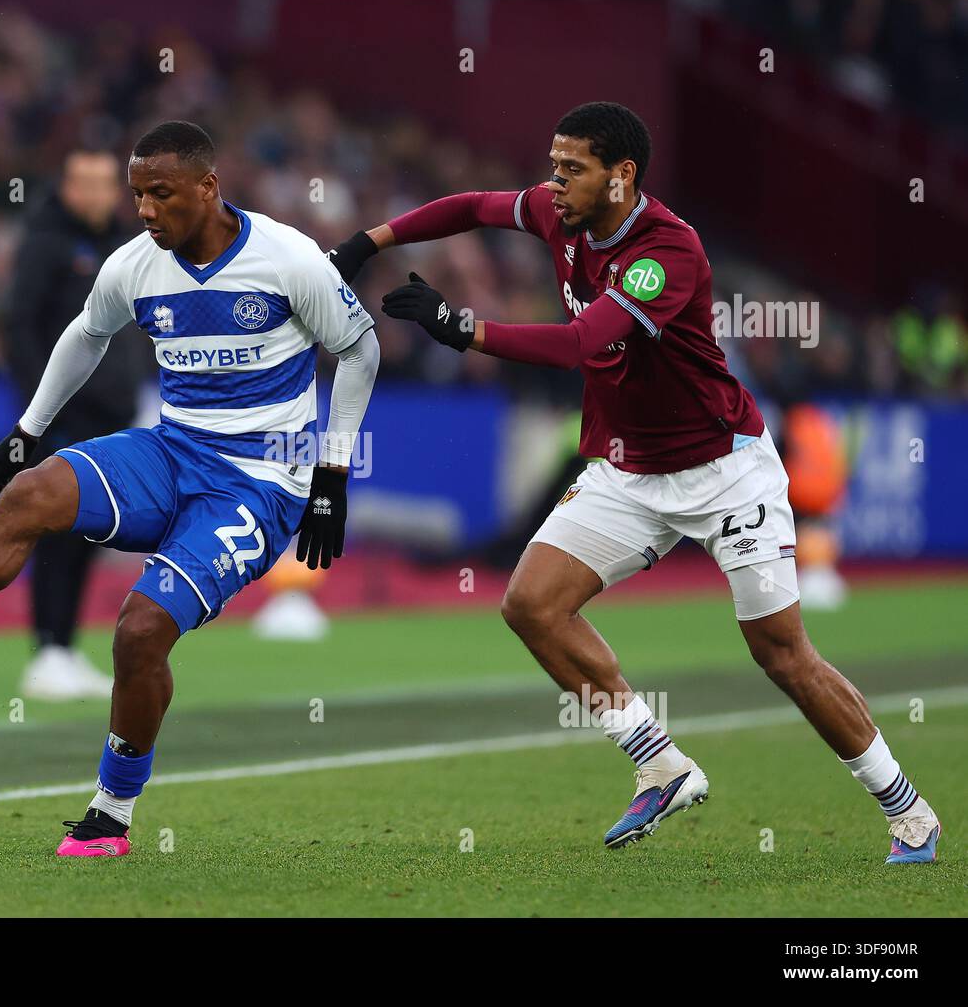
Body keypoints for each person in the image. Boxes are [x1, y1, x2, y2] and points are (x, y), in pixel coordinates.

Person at [330, 101, 939, 864]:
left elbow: (585, 343)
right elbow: (473, 207)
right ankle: (661, 762)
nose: (554, 185)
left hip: (724, 471)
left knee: (782, 654)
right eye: (553, 167)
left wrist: (462, 327)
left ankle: (908, 811)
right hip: (630, 467)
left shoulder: (666, 251)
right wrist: (368, 240)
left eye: (572, 169)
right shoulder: (562, 216)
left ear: (621, 176)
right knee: (531, 604)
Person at [0, 120, 380, 857]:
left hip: (259, 484)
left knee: (139, 632)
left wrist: (331, 471)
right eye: (136, 193)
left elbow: (359, 348)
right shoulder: (135, 264)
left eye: (159, 194)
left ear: (208, 188)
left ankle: (111, 812)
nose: (142, 209)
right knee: (32, 492)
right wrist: (27, 433)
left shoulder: (287, 257)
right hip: (174, 450)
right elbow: (85, 334)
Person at [5, 150, 155, 699]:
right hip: (66, 414)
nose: (94, 194)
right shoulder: (46, 243)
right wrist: (36, 413)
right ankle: (46, 650)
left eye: (103, 183)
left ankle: (63, 649)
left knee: (88, 529)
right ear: (65, 187)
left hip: (113, 412)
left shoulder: (125, 241)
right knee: (57, 528)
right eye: (82, 183)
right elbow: (19, 327)